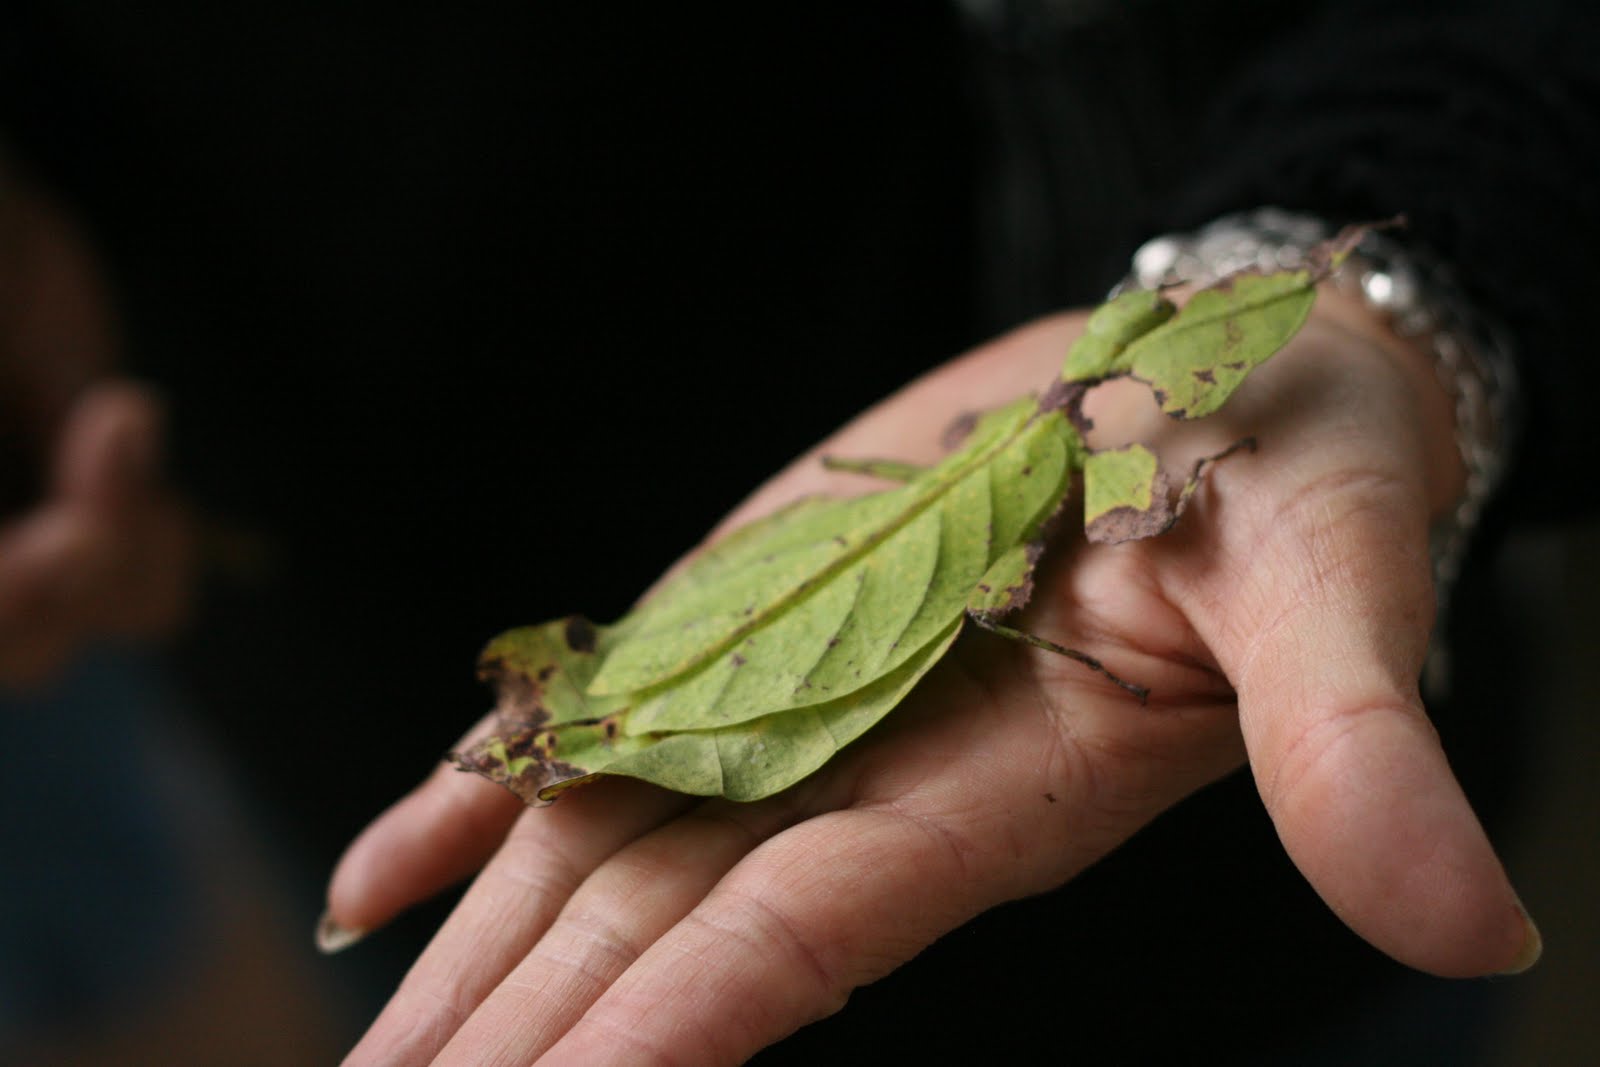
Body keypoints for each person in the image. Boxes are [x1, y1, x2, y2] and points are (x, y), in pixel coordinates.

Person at [320, 3, 1600, 1064]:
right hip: (342, 626)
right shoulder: (1080, 450)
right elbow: (1105, 519)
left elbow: (1107, 513)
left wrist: (1379, 296)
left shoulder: (1092, 428)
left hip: (1211, 957)